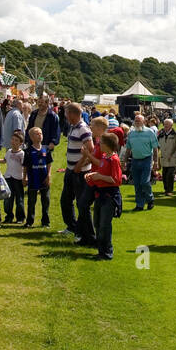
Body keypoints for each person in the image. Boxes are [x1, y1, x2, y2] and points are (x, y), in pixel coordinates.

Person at [83, 132, 124, 260]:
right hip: (100, 194)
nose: (98, 145)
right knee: (97, 223)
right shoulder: (105, 157)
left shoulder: (114, 159)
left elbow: (116, 180)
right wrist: (91, 176)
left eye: (101, 143)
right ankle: (100, 250)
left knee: (104, 225)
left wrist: (99, 176)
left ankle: (106, 252)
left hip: (109, 196)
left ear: (107, 145)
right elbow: (101, 174)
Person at [60, 102, 94, 239]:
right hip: (71, 169)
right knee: (66, 200)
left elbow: (90, 150)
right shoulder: (73, 127)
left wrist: (80, 165)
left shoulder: (83, 129)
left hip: (80, 171)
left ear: (73, 114)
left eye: (67, 113)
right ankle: (72, 227)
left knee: (81, 203)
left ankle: (85, 233)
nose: (65, 116)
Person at [125, 113, 158, 211]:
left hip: (147, 159)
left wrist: (155, 162)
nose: (137, 122)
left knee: (145, 181)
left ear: (144, 122)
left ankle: (150, 199)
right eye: (136, 120)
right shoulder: (131, 133)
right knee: (137, 183)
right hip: (135, 160)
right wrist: (125, 161)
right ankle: (140, 205)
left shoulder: (150, 132)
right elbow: (128, 149)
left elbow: (155, 148)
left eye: (139, 120)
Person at [24, 126, 52, 227]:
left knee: (45, 201)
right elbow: (26, 166)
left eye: (41, 133)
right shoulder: (28, 151)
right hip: (33, 178)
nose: (40, 135)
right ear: (31, 137)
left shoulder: (46, 149)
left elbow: (49, 163)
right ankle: (29, 221)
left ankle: (45, 222)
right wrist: (25, 177)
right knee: (31, 201)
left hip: (44, 178)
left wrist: (49, 175)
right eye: (37, 134)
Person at [2, 129, 26, 223]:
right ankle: (8, 216)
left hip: (18, 179)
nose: (13, 142)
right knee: (8, 199)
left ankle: (20, 217)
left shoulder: (22, 154)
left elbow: (25, 167)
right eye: (12, 139)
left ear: (20, 143)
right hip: (8, 177)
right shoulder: (9, 152)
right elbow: (4, 161)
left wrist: (25, 177)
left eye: (16, 140)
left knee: (19, 199)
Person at [157, 118, 176, 196]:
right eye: (164, 124)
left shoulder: (175, 134)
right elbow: (157, 146)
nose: (165, 126)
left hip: (172, 158)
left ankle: (170, 190)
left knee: (170, 174)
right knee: (164, 174)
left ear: (171, 125)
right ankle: (166, 189)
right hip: (163, 157)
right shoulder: (161, 134)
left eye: (167, 124)